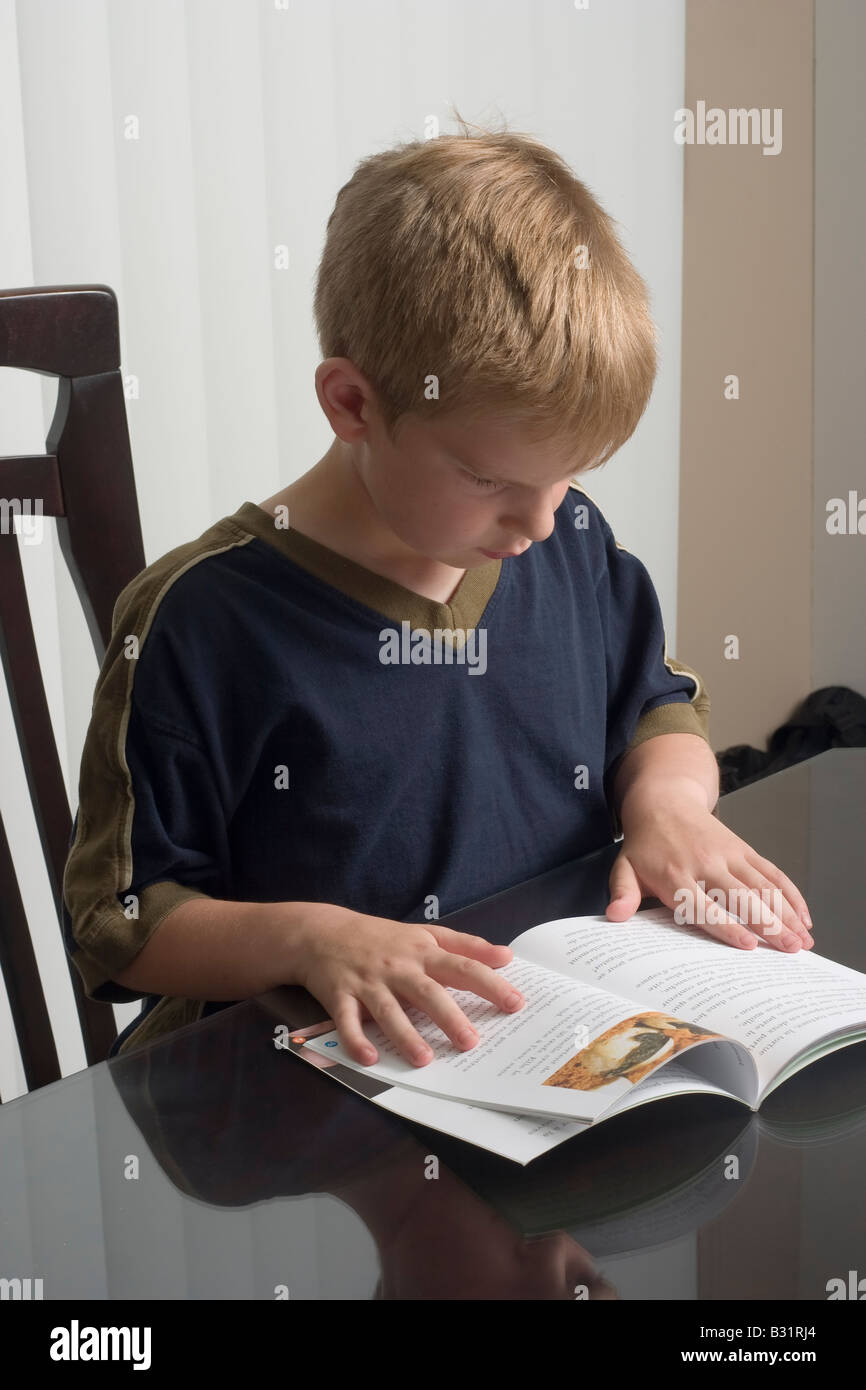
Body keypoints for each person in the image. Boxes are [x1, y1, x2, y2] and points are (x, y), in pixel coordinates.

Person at [62, 119, 814, 1065]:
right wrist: (310, 938)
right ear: (352, 404)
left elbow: (656, 708)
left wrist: (670, 808)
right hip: (299, 1113)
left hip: (549, 1046)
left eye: (570, 474)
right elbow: (122, 920)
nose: (540, 521)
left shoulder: (568, 538)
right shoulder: (201, 622)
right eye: (494, 482)